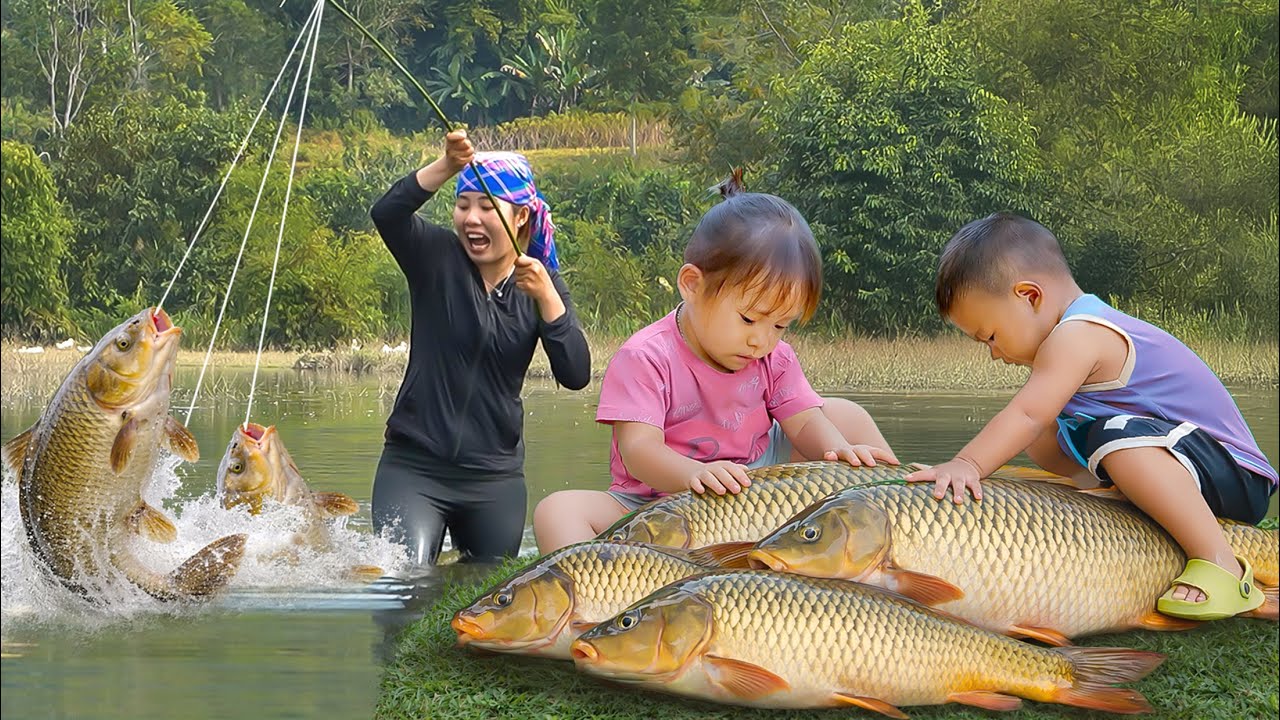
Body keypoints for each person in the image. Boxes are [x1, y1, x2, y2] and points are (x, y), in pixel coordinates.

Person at [906, 212, 1277, 621]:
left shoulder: (1081, 332)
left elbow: (1027, 413)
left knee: (1107, 434)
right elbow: (1036, 425)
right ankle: (1106, 500)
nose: (994, 353)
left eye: (990, 336)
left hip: (1234, 473)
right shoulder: (1065, 343)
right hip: (1186, 466)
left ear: (1030, 296)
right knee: (1049, 433)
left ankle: (1221, 564)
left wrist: (967, 464)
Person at [532, 174, 898, 554]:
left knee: (843, 416)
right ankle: (599, 600)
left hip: (758, 486)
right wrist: (695, 476)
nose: (761, 340)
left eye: (780, 325)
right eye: (748, 319)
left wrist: (839, 451)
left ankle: (891, 525)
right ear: (692, 285)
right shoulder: (645, 357)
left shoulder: (774, 355)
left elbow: (803, 421)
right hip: (657, 502)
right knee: (556, 511)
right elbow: (638, 451)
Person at [369, 129, 591, 568]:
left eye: (487, 208)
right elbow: (388, 213)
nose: (471, 219)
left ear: (521, 217)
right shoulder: (435, 257)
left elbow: (576, 374)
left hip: (494, 480)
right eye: (463, 204)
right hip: (414, 468)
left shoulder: (541, 282)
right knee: (407, 583)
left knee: (486, 607)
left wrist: (548, 299)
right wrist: (447, 165)